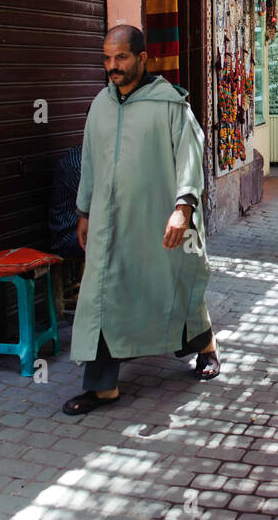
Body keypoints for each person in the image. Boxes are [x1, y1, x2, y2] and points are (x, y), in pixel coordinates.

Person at [62, 25, 220, 416]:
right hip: (107, 225)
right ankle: (102, 387)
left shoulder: (170, 104)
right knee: (101, 294)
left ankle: (205, 348)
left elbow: (190, 158)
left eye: (121, 58)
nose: (113, 67)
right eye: (107, 59)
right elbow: (90, 163)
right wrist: (83, 212)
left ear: (143, 58)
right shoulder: (101, 103)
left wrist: (183, 209)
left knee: (175, 284)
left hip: (158, 222)